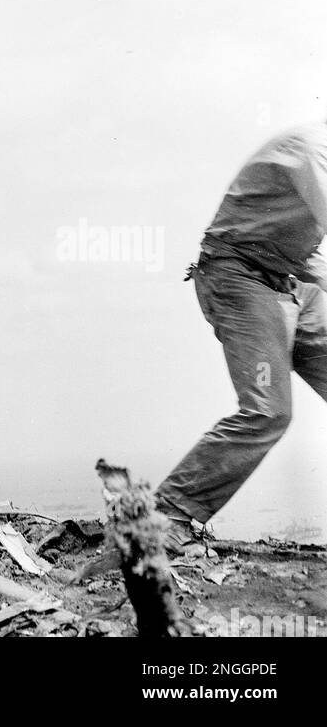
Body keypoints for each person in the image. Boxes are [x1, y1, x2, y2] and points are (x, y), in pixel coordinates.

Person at [156, 118, 327, 553]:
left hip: (287, 281)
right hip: (237, 278)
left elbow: (312, 251)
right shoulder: (314, 149)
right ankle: (164, 519)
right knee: (268, 411)